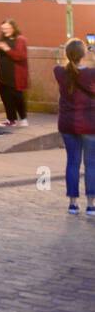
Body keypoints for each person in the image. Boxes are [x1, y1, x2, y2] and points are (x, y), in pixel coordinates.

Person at [55, 38, 95, 217]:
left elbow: (59, 65)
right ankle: (91, 205)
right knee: (91, 164)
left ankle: (72, 203)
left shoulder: (59, 72)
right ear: (84, 54)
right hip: (89, 123)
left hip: (67, 123)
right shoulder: (92, 74)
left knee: (72, 162)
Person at [0, 20, 29, 128]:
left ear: (13, 28)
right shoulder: (1, 39)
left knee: (18, 97)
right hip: (3, 74)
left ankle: (23, 119)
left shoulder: (20, 40)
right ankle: (10, 119)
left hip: (16, 75)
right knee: (6, 97)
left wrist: (6, 48)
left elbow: (20, 56)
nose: (5, 31)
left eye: (7, 28)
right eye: (3, 29)